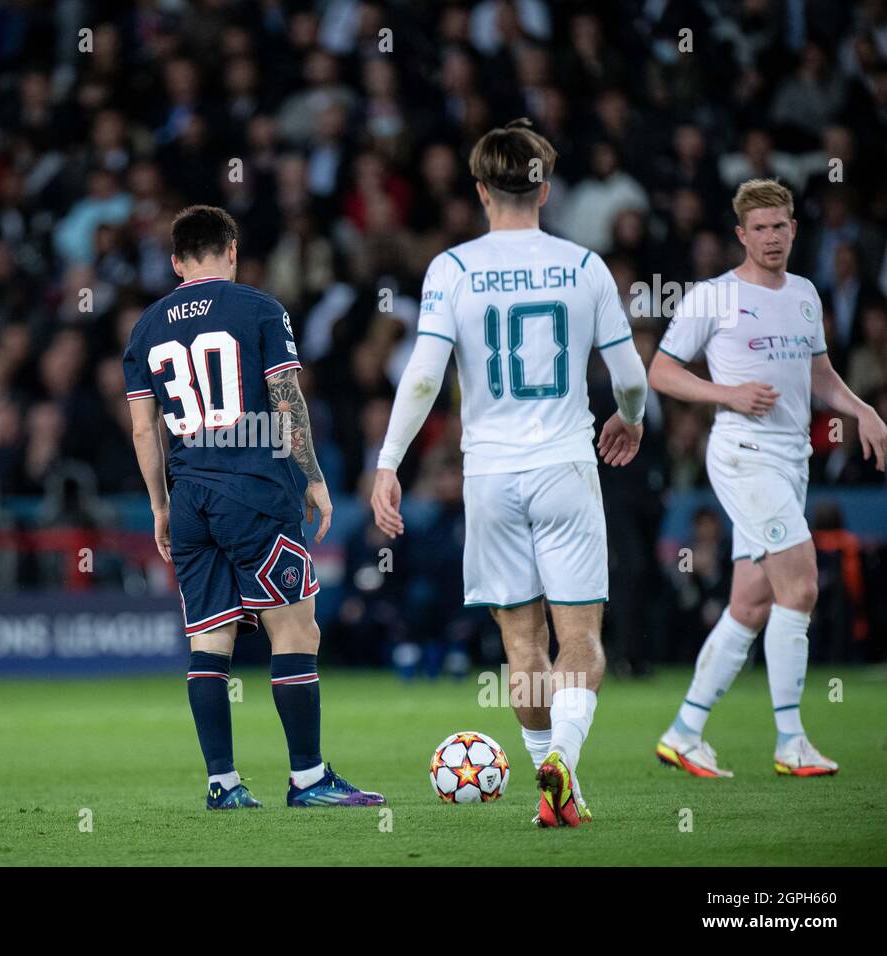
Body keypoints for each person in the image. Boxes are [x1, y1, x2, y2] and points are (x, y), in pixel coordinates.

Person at [369, 119, 648, 827]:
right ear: (545, 190)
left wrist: (388, 462)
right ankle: (566, 764)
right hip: (565, 467)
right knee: (580, 637)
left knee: (522, 644)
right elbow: (631, 377)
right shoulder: (585, 267)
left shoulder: (452, 270)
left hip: (489, 477)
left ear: (480, 191)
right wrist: (630, 417)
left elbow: (424, 377)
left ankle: (556, 786)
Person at [123, 204, 385, 810]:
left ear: (175, 261)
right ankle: (308, 779)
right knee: (294, 627)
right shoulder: (262, 309)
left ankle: (223, 783)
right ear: (232, 250)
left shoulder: (146, 327)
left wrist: (160, 506)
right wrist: (314, 479)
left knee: (210, 641)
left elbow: (144, 432)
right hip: (255, 490)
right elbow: (285, 400)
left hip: (189, 497)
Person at [649, 178, 887, 778]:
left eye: (780, 226)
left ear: (793, 229)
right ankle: (790, 741)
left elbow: (820, 374)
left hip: (790, 458)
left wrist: (859, 408)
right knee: (801, 585)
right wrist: (726, 392)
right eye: (759, 228)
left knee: (752, 601)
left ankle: (683, 733)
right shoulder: (713, 297)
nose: (771, 237)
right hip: (742, 452)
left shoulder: (805, 294)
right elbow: (661, 371)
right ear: (741, 235)